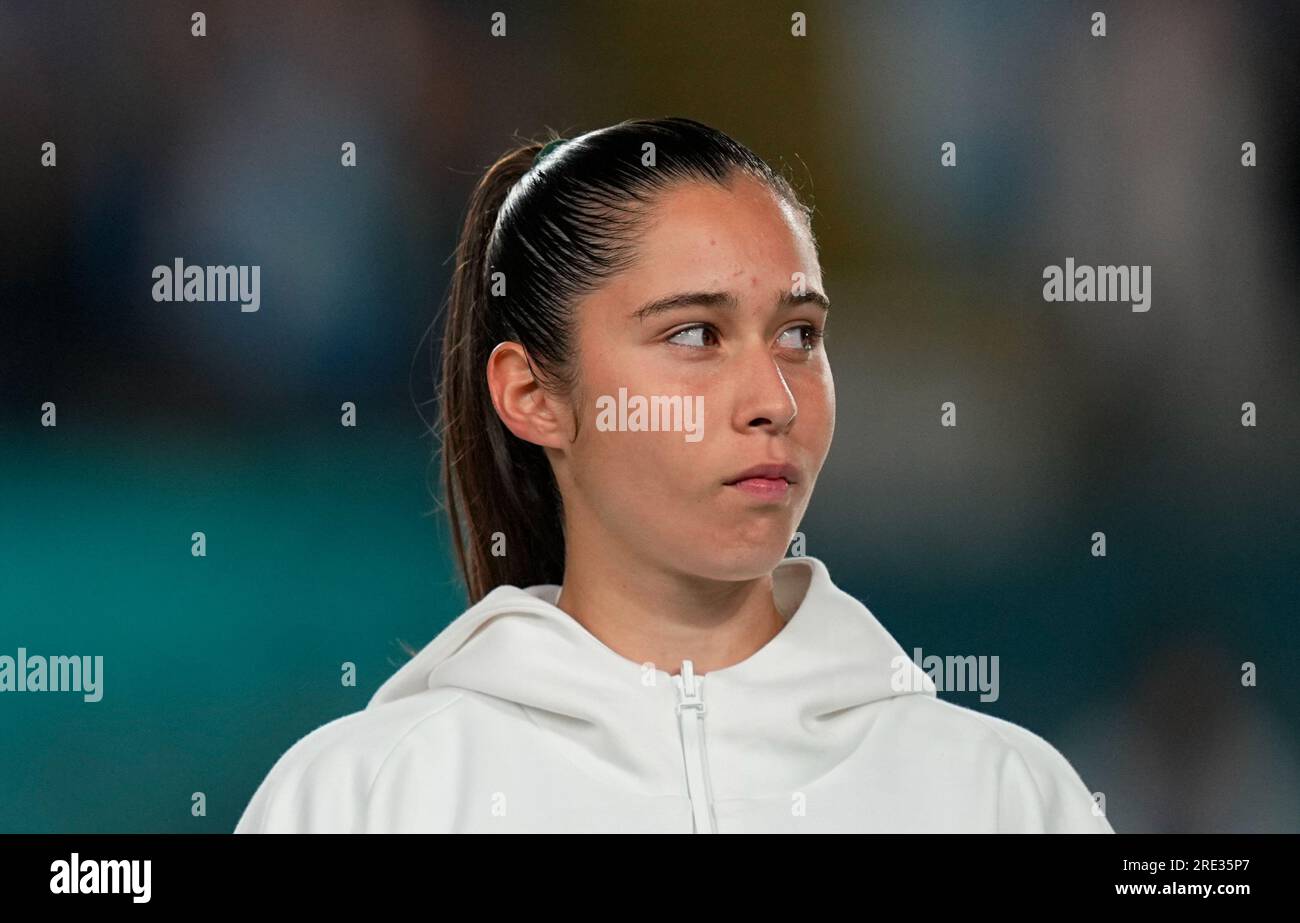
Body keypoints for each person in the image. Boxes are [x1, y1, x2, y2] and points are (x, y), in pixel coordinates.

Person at [235, 117, 1113, 833]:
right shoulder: (362, 801)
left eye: (799, 335)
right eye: (694, 334)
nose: (773, 398)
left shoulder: (1004, 798)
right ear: (532, 393)